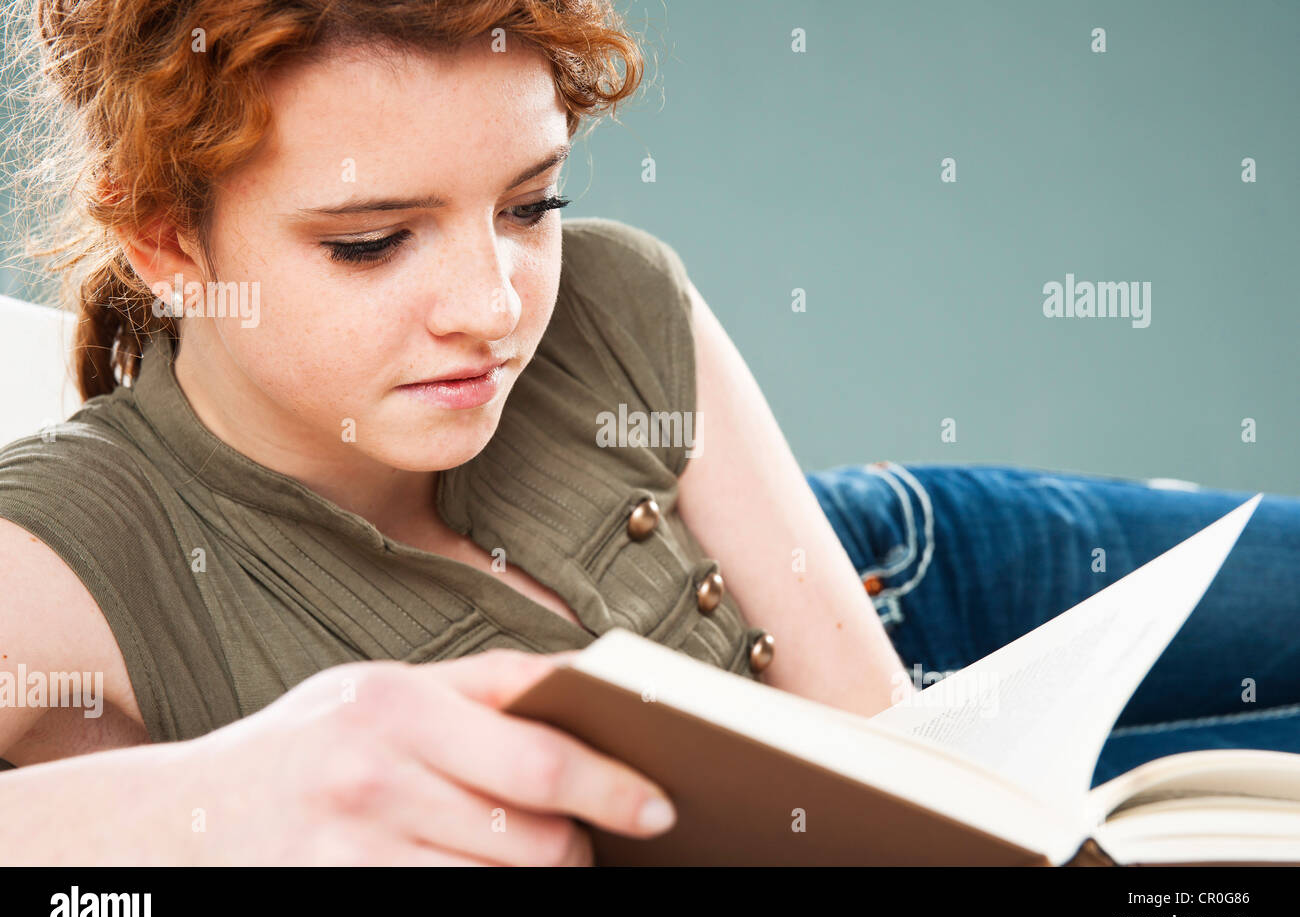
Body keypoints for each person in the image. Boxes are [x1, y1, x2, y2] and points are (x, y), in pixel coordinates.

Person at [0, 0, 1295, 866]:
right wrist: (214, 796)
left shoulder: (615, 290)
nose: (493, 310)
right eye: (372, 241)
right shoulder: (70, 546)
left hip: (904, 575)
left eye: (528, 204)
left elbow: (884, 730)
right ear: (168, 242)